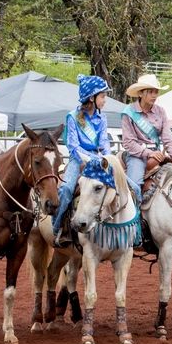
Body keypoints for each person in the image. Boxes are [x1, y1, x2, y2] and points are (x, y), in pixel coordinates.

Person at [52, 75, 115, 247]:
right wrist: (90, 159)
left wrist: (108, 159)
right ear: (91, 98)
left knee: (127, 185)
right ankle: (57, 228)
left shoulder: (102, 118)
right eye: (102, 96)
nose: (105, 100)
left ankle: (126, 229)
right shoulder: (72, 117)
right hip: (78, 159)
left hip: (99, 159)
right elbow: (73, 146)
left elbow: (104, 142)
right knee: (65, 189)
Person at [120, 74, 172, 192]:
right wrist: (148, 153)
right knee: (135, 185)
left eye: (156, 92)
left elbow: (167, 137)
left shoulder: (160, 111)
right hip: (136, 155)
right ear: (140, 93)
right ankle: (135, 210)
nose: (154, 95)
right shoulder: (128, 112)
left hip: (157, 154)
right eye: (150, 92)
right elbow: (128, 142)